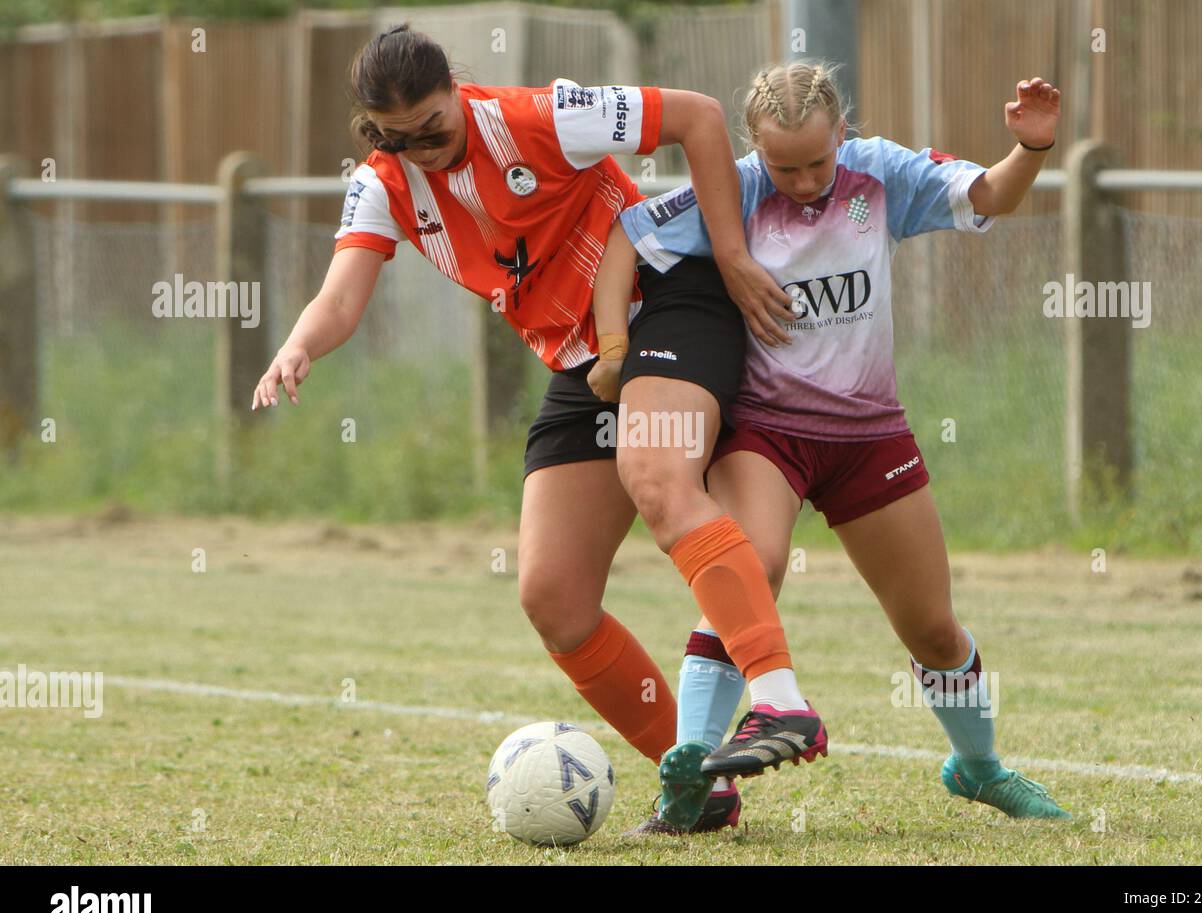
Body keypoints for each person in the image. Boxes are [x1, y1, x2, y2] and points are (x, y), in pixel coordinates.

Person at [250, 25, 827, 795]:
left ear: (457, 92)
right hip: (581, 360)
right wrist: (298, 345)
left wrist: (729, 252)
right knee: (552, 597)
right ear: (373, 131)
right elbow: (341, 295)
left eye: (435, 128)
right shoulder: (381, 185)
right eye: (401, 138)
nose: (425, 149)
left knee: (655, 478)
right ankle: (700, 783)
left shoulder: (544, 117)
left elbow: (697, 117)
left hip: (668, 300)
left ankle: (781, 703)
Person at [591, 61, 1071, 834]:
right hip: (767, 432)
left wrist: (1032, 150)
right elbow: (626, 236)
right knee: (753, 565)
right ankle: (690, 775)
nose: (806, 179)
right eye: (786, 166)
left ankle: (979, 768)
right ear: (754, 150)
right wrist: (613, 347)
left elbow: (989, 198)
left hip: (870, 435)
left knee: (933, 629)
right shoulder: (735, 188)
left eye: (818, 160)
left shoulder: (879, 174)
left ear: (841, 133)